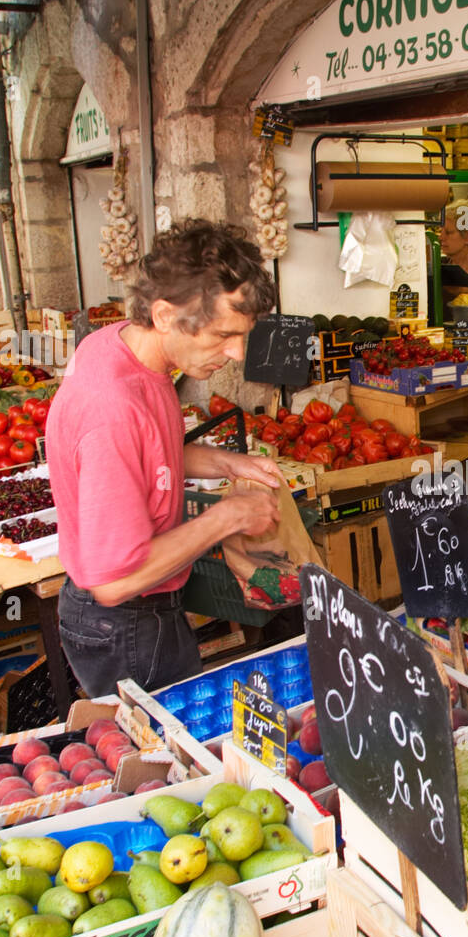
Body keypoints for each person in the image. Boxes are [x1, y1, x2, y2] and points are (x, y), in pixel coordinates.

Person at [47, 220, 285, 698]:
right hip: (125, 624)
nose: (237, 354)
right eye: (222, 335)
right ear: (163, 314)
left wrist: (226, 464)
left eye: (242, 335)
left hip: (134, 616)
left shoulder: (124, 349)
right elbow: (115, 584)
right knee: (168, 763)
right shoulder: (111, 408)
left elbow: (149, 454)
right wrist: (227, 516)